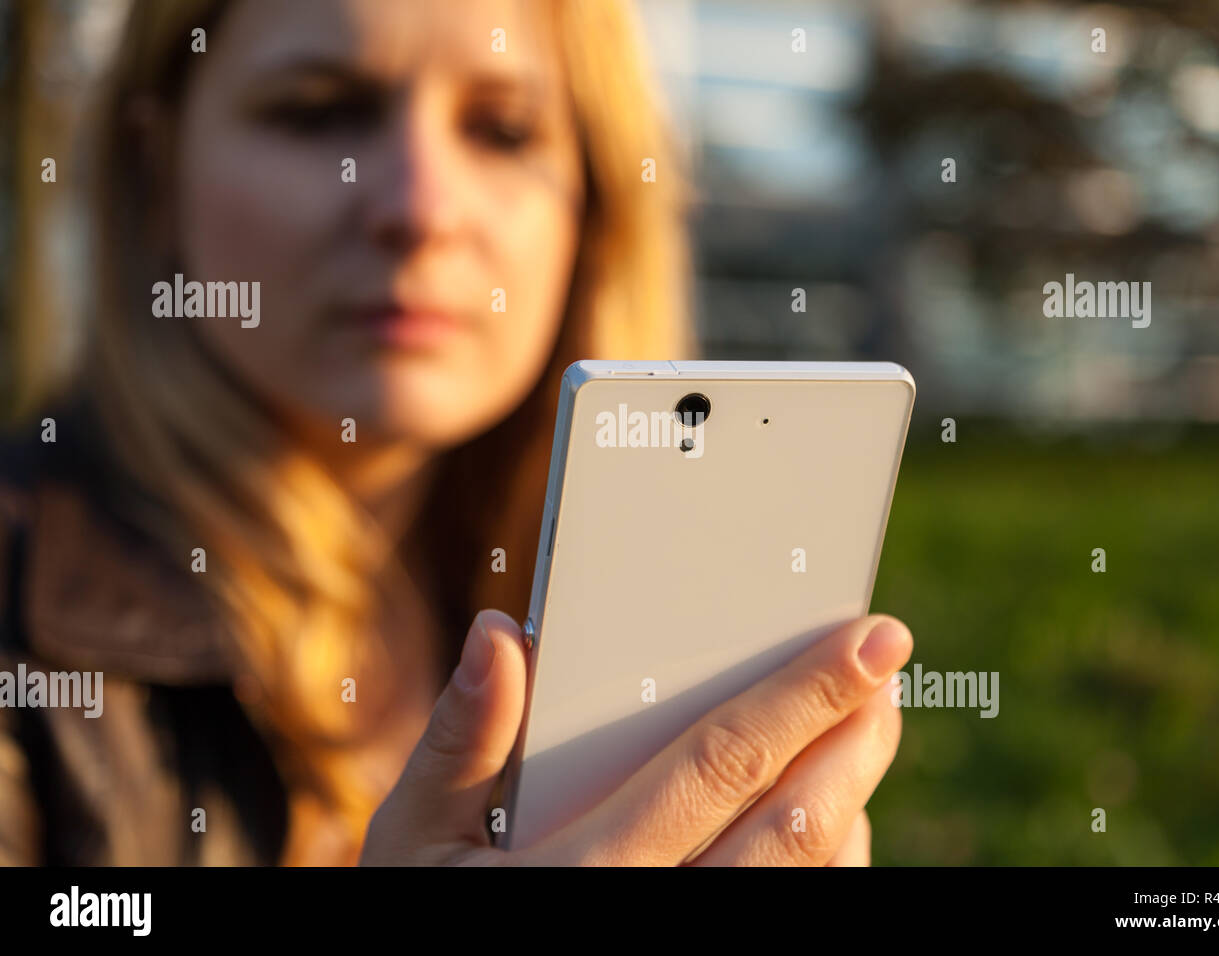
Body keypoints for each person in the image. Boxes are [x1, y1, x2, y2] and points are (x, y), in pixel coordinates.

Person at [0, 0, 914, 866]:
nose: (418, 208)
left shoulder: (600, 622)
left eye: (503, 130)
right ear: (155, 171)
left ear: (592, 205)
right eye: (320, 113)